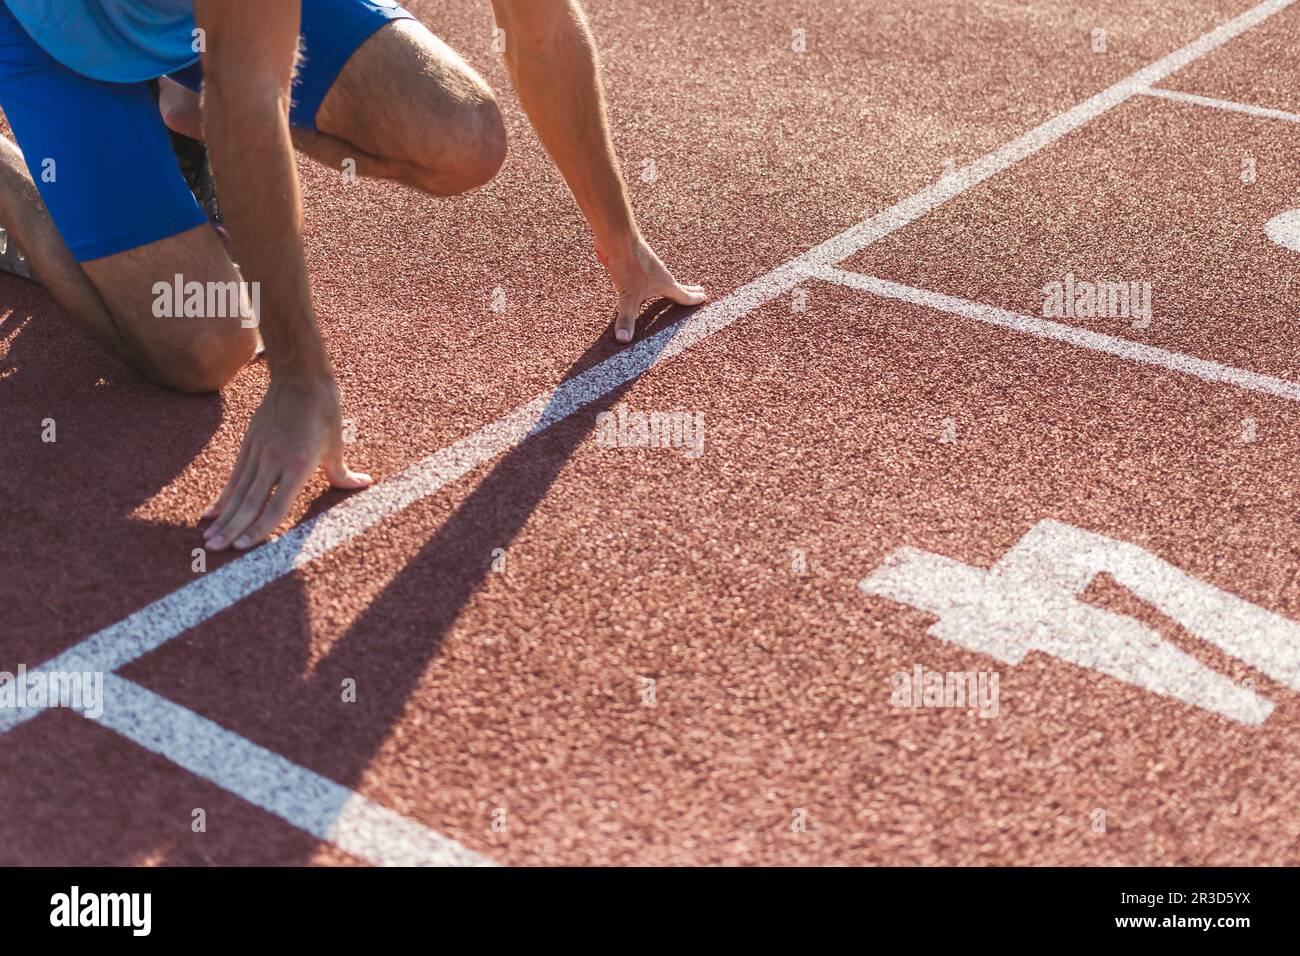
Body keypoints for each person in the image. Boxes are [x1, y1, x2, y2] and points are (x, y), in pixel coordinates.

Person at [0, 0, 706, 550]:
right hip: (54, 32)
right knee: (206, 348)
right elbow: (248, 101)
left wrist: (621, 239)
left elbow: (542, 30)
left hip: (200, 20)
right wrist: (300, 379)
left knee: (462, 139)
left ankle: (182, 106)